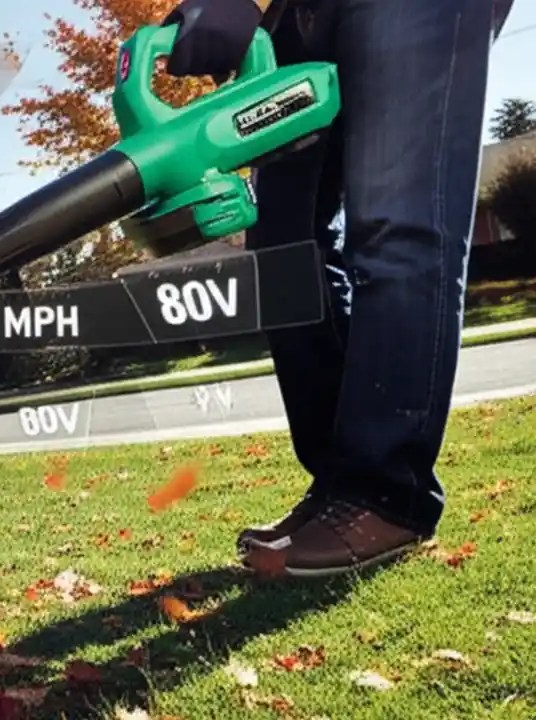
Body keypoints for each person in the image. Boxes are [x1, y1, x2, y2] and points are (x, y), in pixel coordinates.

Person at [159, 0, 515, 577]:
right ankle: (338, 484)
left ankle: (386, 493)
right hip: (292, 13)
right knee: (283, 249)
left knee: (397, 221)